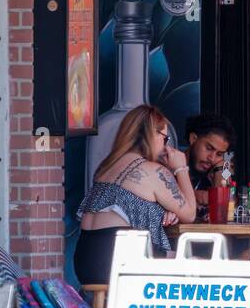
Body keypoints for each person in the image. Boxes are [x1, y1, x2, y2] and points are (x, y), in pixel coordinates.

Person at [73, 104, 196, 285]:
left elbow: (130, 204)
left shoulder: (106, 167)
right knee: (195, 263)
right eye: (165, 138)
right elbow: (190, 214)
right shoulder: (154, 171)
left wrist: (165, 210)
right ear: (153, 135)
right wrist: (181, 168)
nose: (166, 145)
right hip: (120, 263)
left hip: (85, 262)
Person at [184, 112, 235, 216]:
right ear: (193, 139)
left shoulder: (218, 168)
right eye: (209, 148)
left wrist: (222, 169)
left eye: (219, 154)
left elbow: (227, 205)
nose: (211, 158)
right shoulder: (172, 165)